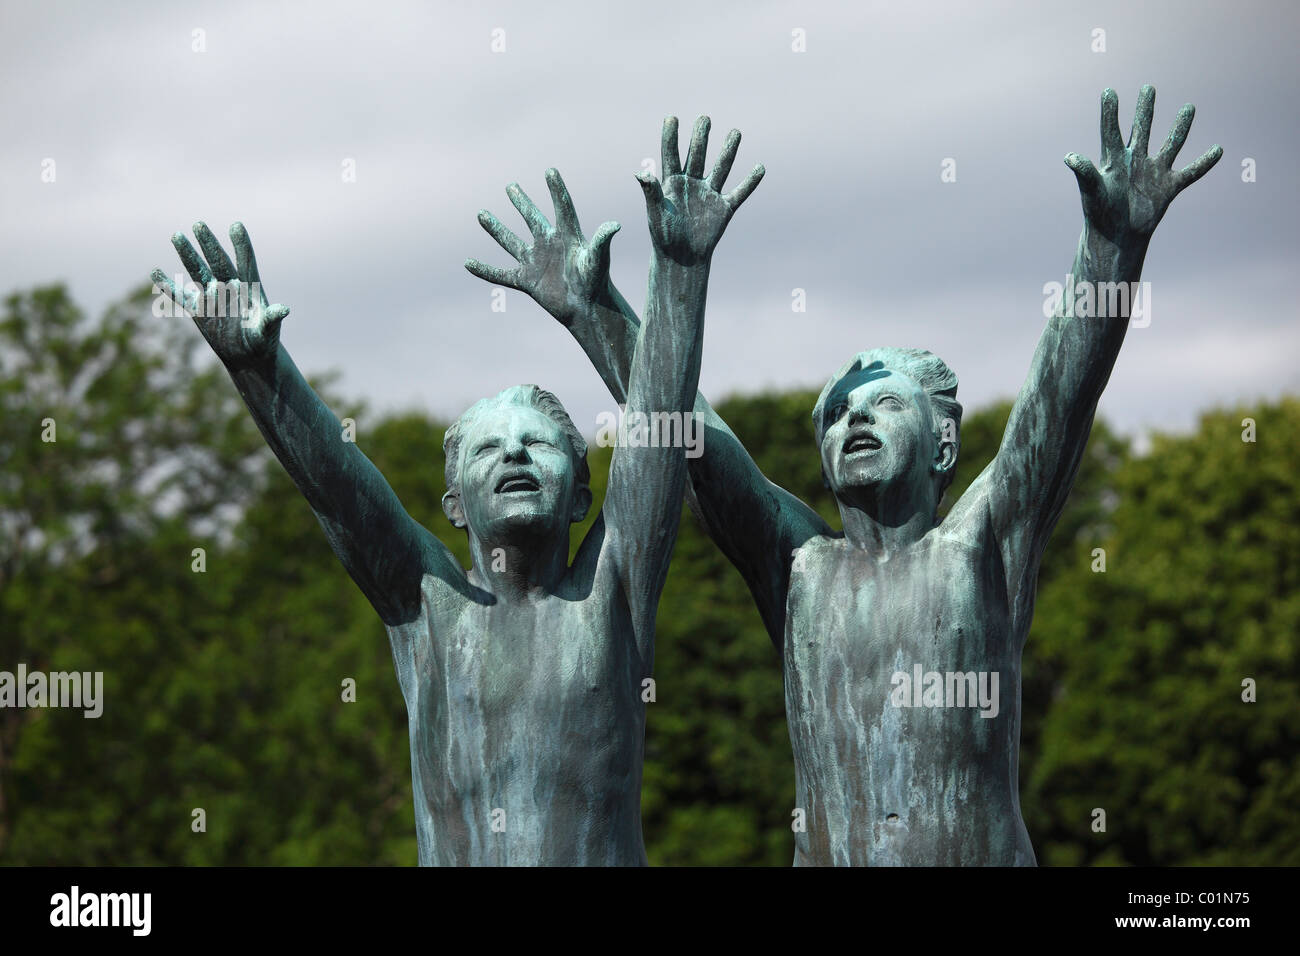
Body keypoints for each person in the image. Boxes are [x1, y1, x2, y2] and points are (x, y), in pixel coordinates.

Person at [480, 87, 1221, 865]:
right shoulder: (797, 563)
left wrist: (1111, 248)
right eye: (834, 415)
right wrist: (593, 308)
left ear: (943, 446)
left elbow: (1059, 402)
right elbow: (686, 431)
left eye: (882, 405)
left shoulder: (979, 546)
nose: (852, 421)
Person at [151, 115, 763, 865]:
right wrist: (259, 369)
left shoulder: (614, 589)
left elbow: (658, 424)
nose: (515, 454)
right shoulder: (428, 610)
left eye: (538, 445)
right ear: (452, 506)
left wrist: (679, 269)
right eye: (489, 449)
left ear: (579, 496)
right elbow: (342, 494)